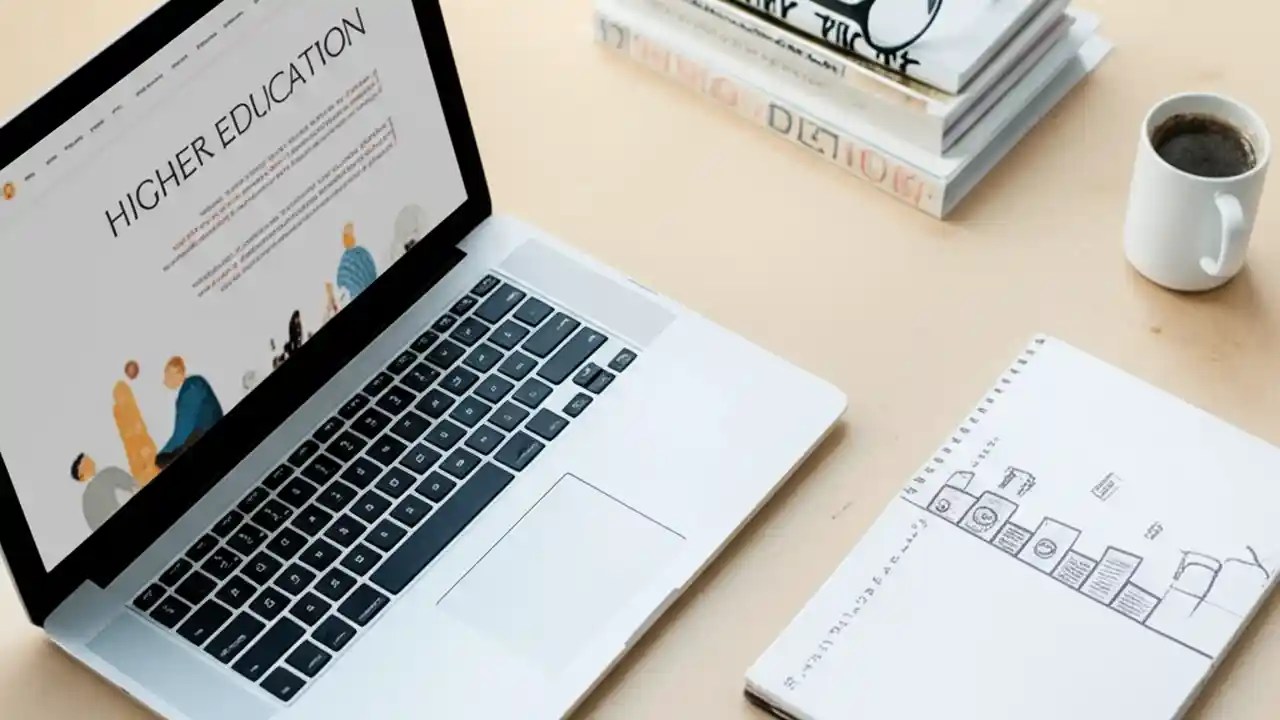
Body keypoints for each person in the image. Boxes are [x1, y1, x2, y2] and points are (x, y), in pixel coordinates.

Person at [156, 356, 224, 468]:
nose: (165, 380)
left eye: (168, 375)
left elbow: (183, 431)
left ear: (178, 373)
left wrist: (160, 457)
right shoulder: (192, 386)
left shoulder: (191, 386)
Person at [70, 453, 138, 532]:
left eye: (87, 459)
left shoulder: (110, 472)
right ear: (81, 476)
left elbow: (134, 484)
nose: (90, 460)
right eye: (84, 463)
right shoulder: (88, 499)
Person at [336, 221, 377, 301]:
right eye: (344, 236)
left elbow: (371, 272)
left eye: (347, 235)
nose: (345, 239)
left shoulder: (362, 253)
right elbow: (341, 283)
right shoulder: (345, 259)